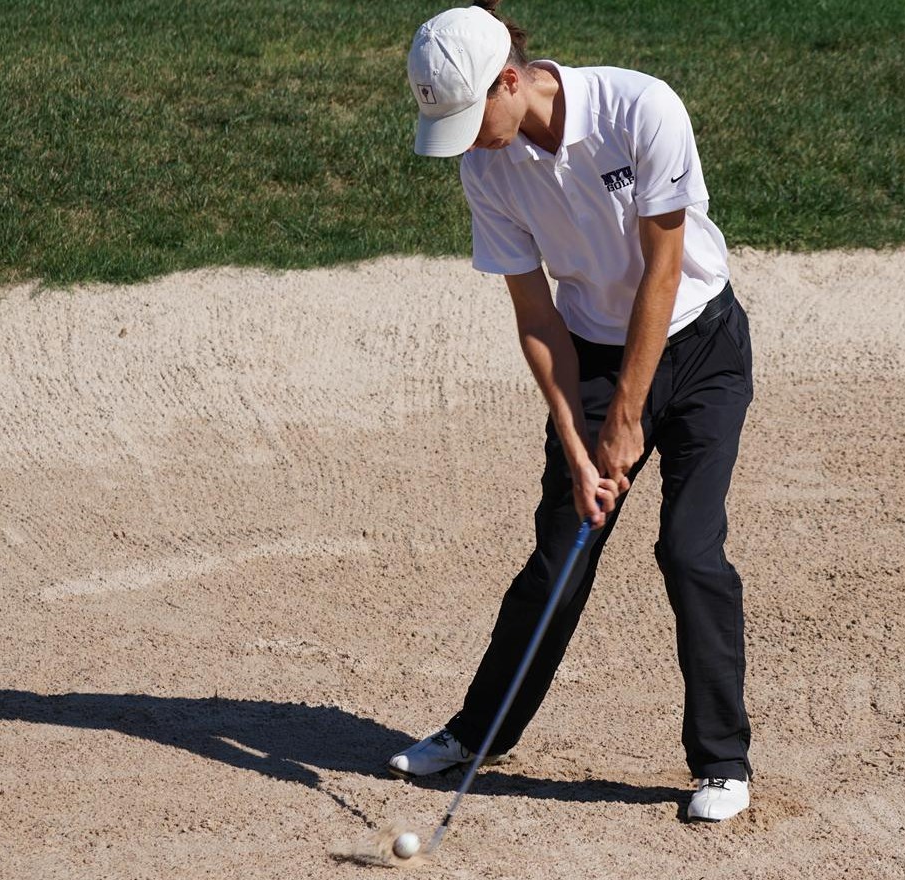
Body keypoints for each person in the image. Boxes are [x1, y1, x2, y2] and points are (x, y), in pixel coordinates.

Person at [386, 1, 755, 822]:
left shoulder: (640, 109)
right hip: (589, 356)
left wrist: (628, 418)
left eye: (470, 115)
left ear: (509, 80)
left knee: (689, 549)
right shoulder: (486, 167)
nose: (466, 138)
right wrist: (579, 442)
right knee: (560, 556)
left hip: (698, 347)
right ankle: (477, 735)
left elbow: (662, 274)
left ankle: (723, 762)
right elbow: (537, 317)